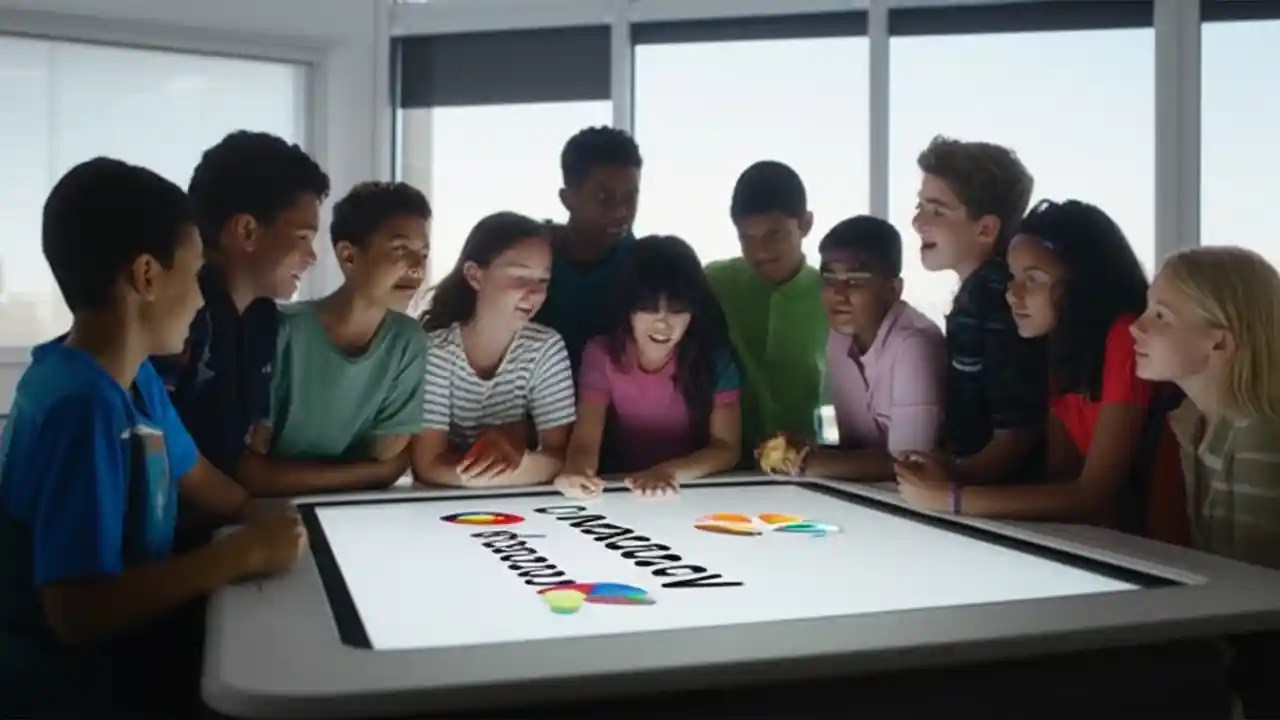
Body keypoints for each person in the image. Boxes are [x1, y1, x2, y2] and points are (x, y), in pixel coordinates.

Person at [0, 158, 305, 717]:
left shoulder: (135, 376)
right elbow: (76, 610)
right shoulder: (80, 406)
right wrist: (238, 555)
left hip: (132, 654)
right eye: (192, 277)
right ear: (146, 275)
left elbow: (210, 487)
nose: (197, 300)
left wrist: (279, 522)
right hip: (74, 689)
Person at [897, 200, 1155, 524]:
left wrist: (951, 498)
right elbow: (1059, 480)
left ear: (1083, 283)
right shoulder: (1060, 347)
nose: (1012, 294)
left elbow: (1093, 494)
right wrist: (951, 474)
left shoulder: (1124, 339)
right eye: (1012, 277)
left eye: (1032, 279)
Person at [155, 130, 331, 489]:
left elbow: (239, 456)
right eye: (302, 238)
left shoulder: (262, 319)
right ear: (247, 230)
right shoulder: (173, 322)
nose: (311, 257)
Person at [252, 182, 431, 494]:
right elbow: (253, 471)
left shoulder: (408, 341)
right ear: (349, 256)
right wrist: (371, 474)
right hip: (271, 513)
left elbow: (389, 458)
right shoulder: (281, 330)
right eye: (401, 249)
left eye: (424, 254)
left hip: (356, 513)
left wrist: (284, 475)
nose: (417, 268)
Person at [895, 135, 1044, 486]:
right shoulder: (979, 293)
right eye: (920, 206)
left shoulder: (993, 299)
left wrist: (948, 482)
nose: (918, 221)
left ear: (986, 228)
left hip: (996, 499)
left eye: (937, 210)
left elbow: (1017, 434)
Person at [555, 235, 742, 499]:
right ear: (627, 308)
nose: (663, 324)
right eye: (649, 309)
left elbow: (726, 447)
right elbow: (586, 439)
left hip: (694, 490)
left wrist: (668, 473)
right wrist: (577, 473)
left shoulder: (714, 359)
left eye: (677, 310)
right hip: (621, 490)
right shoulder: (602, 354)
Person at [1130, 246, 1280, 569]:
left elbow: (1259, 593)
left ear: (1220, 343)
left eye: (1160, 316)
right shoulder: (1191, 422)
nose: (1135, 327)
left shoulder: (1261, 437)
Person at [771, 215, 945, 481]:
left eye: (856, 281)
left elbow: (911, 466)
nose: (839, 294)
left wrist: (809, 464)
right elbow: (854, 450)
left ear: (893, 290)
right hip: (871, 497)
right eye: (829, 280)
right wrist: (807, 452)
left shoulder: (914, 345)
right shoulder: (839, 338)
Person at [412, 212, 575, 488]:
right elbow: (428, 465)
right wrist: (517, 461)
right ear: (475, 276)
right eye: (521, 277)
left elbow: (561, 457)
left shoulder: (546, 348)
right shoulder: (435, 351)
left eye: (543, 281)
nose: (534, 293)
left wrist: (494, 460)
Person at [706, 160, 827, 462]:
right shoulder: (714, 283)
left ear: (805, 224)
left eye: (774, 234)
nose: (760, 251)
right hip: (721, 461)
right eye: (747, 237)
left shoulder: (832, 295)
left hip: (805, 463)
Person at [534, 126, 643, 374]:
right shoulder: (528, 261)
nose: (620, 211)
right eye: (604, 198)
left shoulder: (649, 268)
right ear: (567, 198)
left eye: (630, 198)